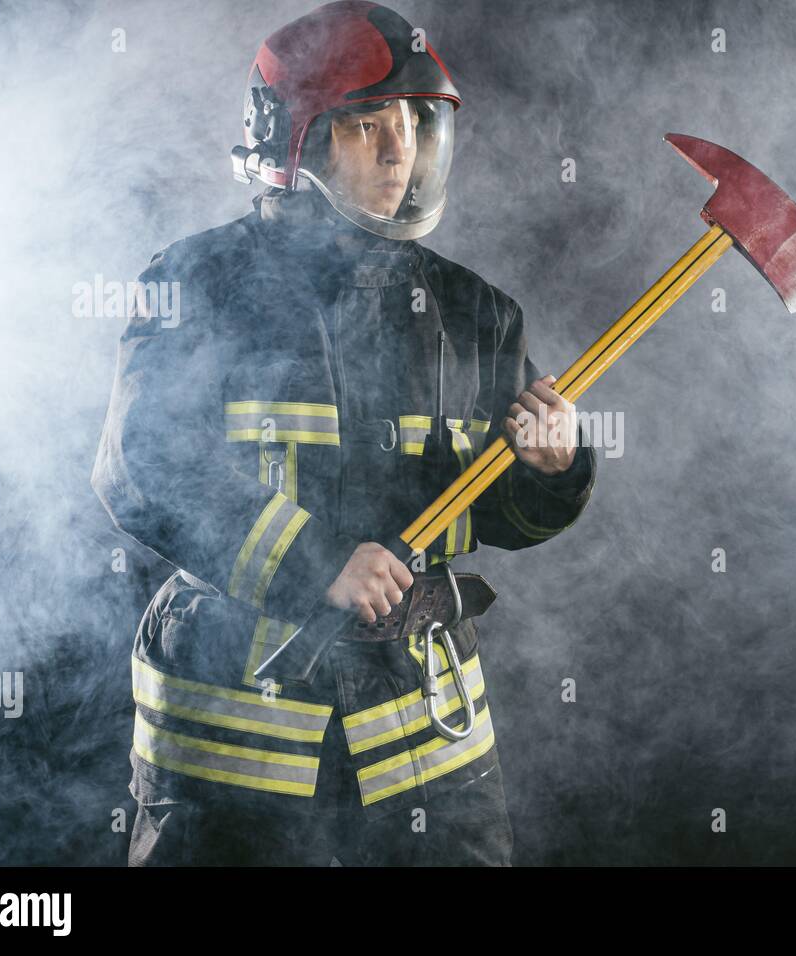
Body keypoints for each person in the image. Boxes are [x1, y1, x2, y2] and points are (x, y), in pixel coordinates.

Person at [90, 0, 597, 866]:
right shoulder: (193, 285)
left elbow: (508, 518)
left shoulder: (478, 313)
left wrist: (551, 470)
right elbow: (143, 467)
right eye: (367, 124)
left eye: (411, 122)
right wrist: (317, 563)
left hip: (424, 736)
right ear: (296, 143)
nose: (401, 150)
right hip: (232, 741)